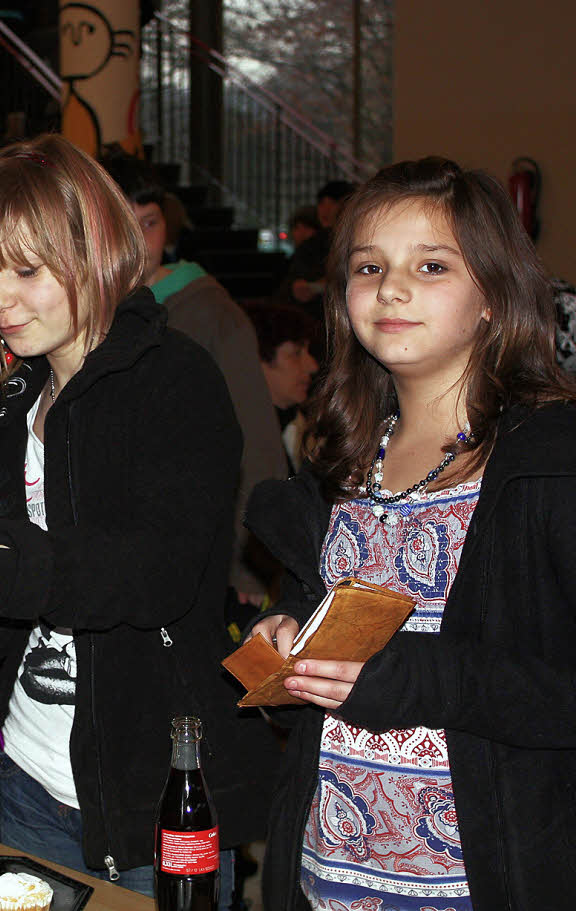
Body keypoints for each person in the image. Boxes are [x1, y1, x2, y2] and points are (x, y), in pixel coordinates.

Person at [0, 135, 281, 906]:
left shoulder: (173, 382)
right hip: (26, 777)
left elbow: (153, 574)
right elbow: (33, 608)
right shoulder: (15, 406)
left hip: (148, 794)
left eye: (27, 270)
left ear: (95, 252)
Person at [240, 157, 576, 910]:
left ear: (493, 295)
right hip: (328, 876)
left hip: (482, 882)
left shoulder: (549, 463)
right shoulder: (340, 466)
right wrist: (285, 648)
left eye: (431, 265)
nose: (392, 287)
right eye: (369, 265)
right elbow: (320, 657)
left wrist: (412, 675)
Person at [100, 153, 287, 606]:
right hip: (108, 552)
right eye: (122, 227)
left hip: (193, 552)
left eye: (149, 224)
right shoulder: (80, 312)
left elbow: (257, 441)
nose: (141, 244)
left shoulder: (208, 312)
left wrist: (251, 566)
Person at [244, 302, 319, 473]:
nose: (312, 366)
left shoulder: (304, 426)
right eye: (296, 354)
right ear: (258, 360)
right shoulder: (244, 442)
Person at [279, 179, 355, 324]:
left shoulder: (356, 241)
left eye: (333, 203)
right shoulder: (314, 244)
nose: (325, 210)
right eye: (321, 204)